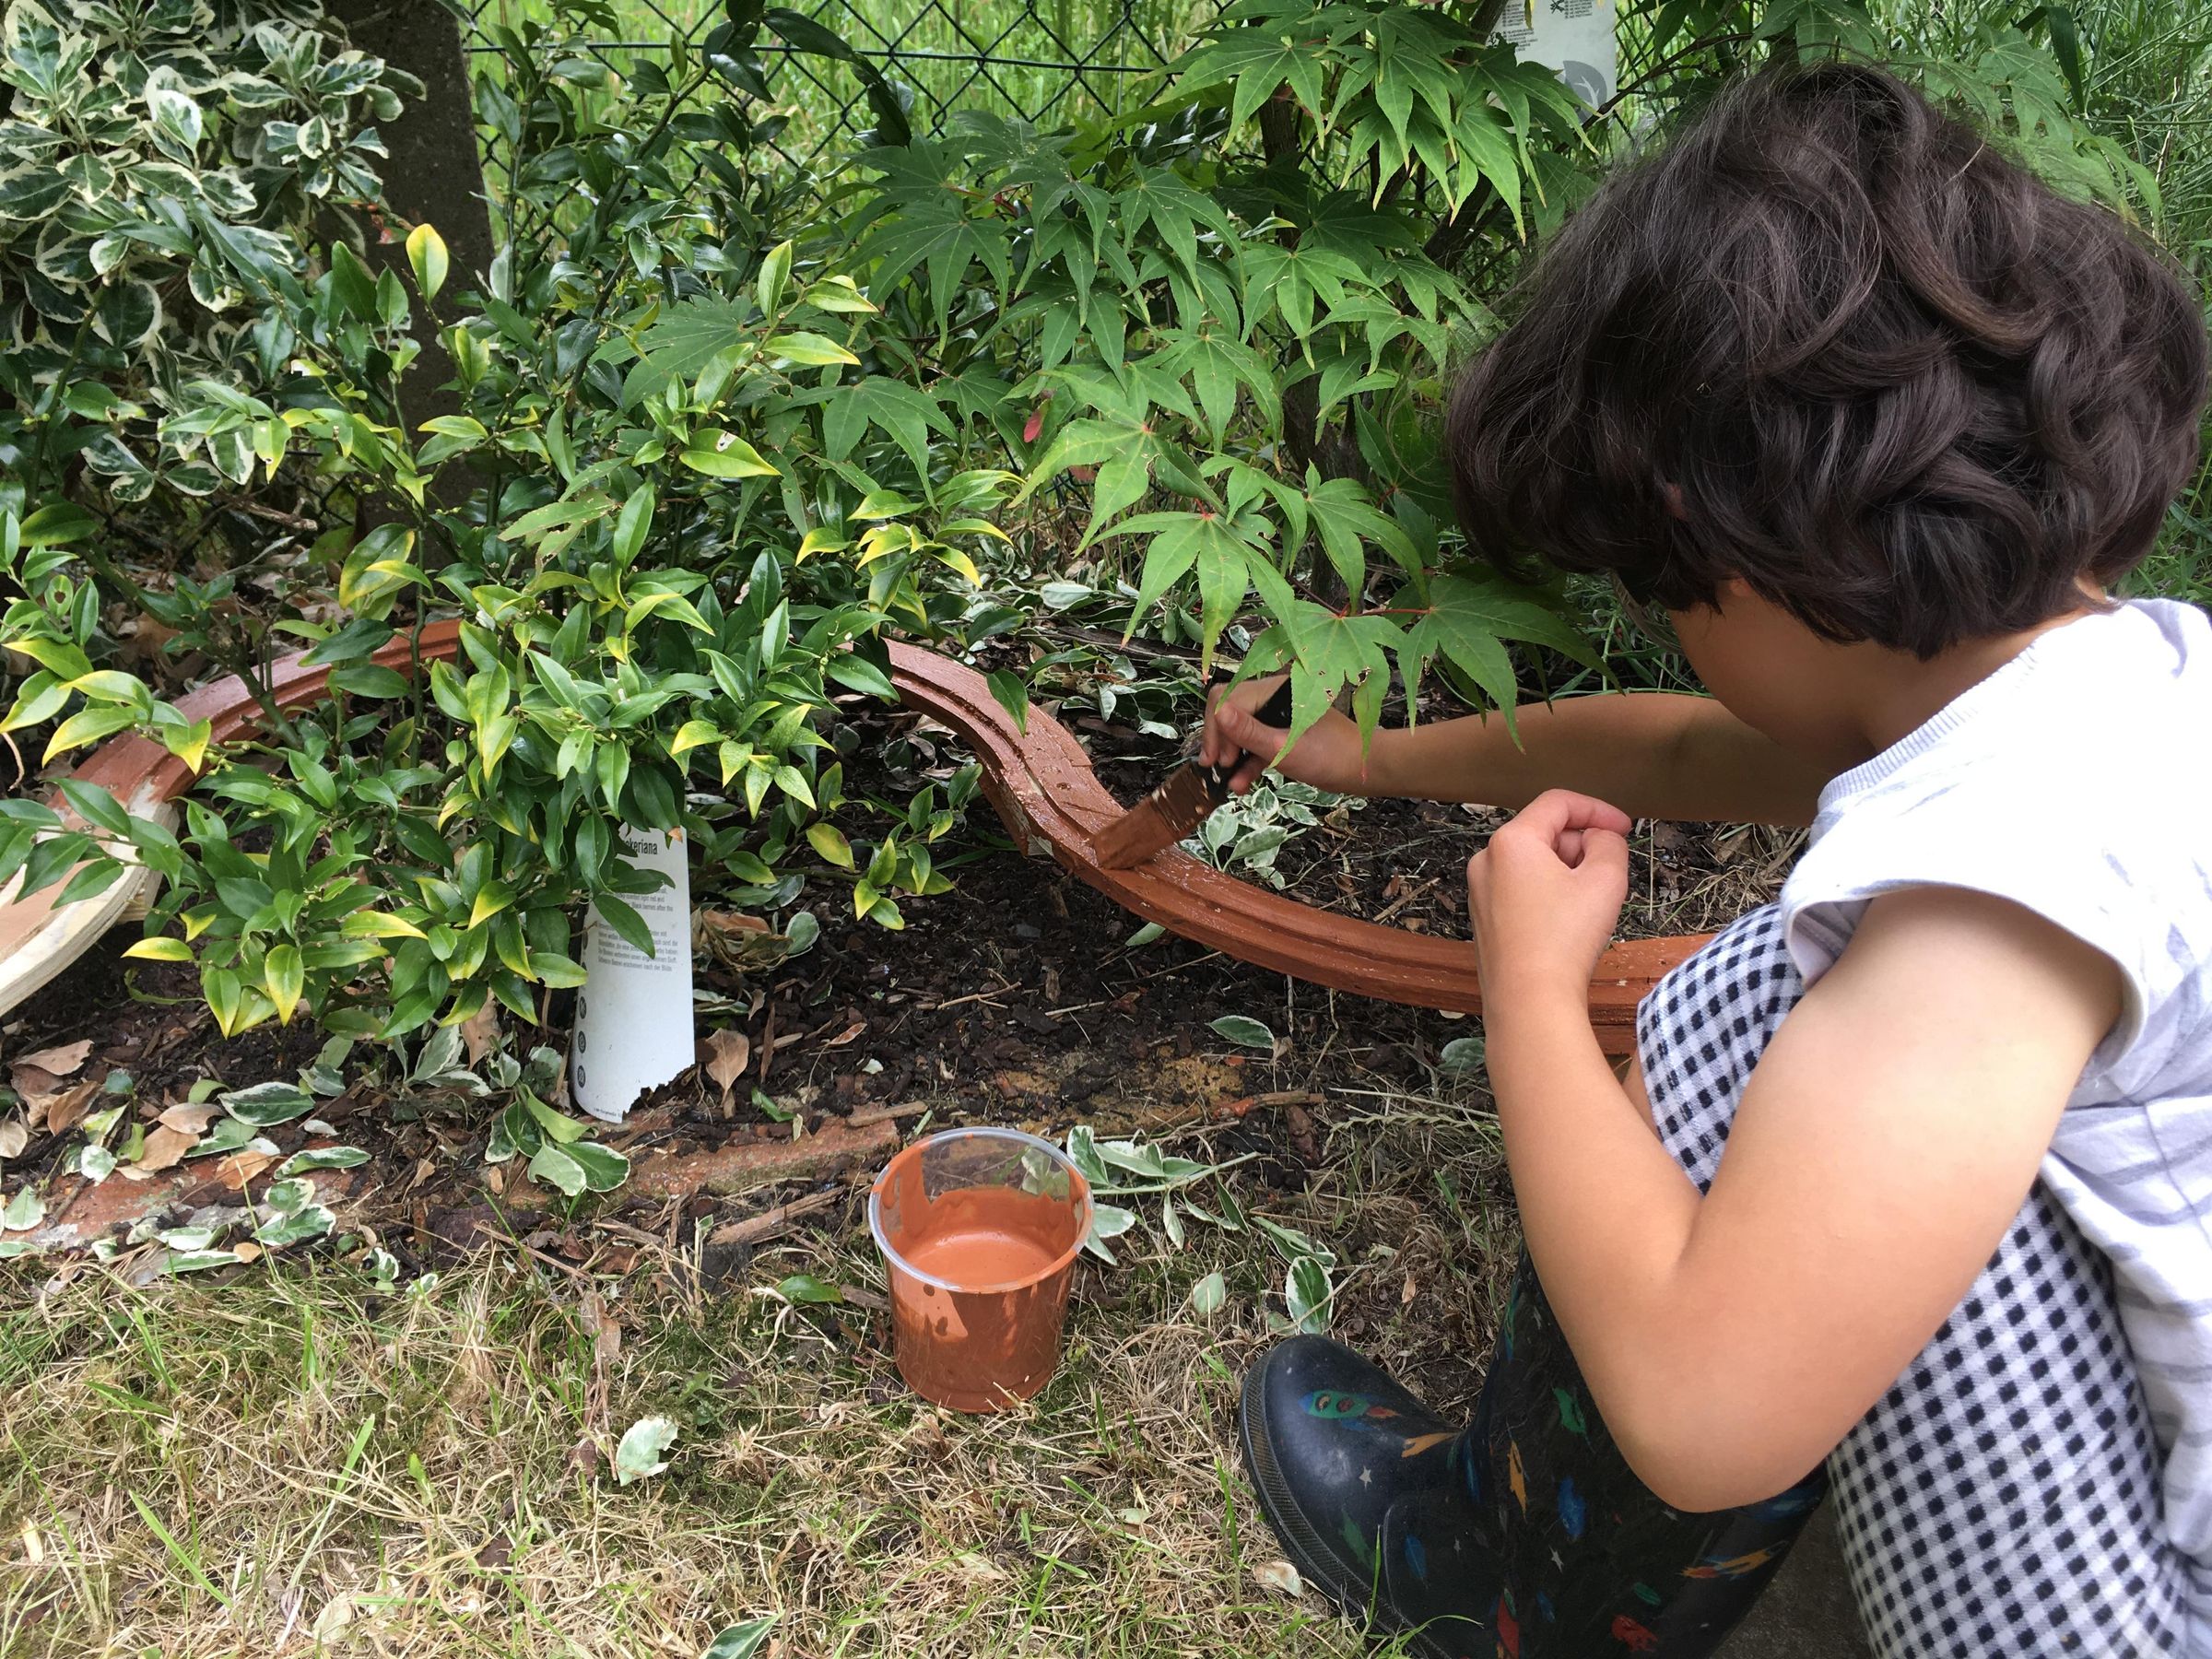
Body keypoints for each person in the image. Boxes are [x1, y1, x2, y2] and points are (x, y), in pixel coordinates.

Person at [1202, 62, 2211, 1659]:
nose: (1665, 619)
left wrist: (1527, 990)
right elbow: (1676, 751)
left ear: (1731, 547)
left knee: (1753, 1020)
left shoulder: (1999, 889)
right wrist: (1362, 754)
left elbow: (1699, 1406)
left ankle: (1507, 1578)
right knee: (1835, 1069)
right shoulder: (2104, 690)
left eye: (1657, 578)